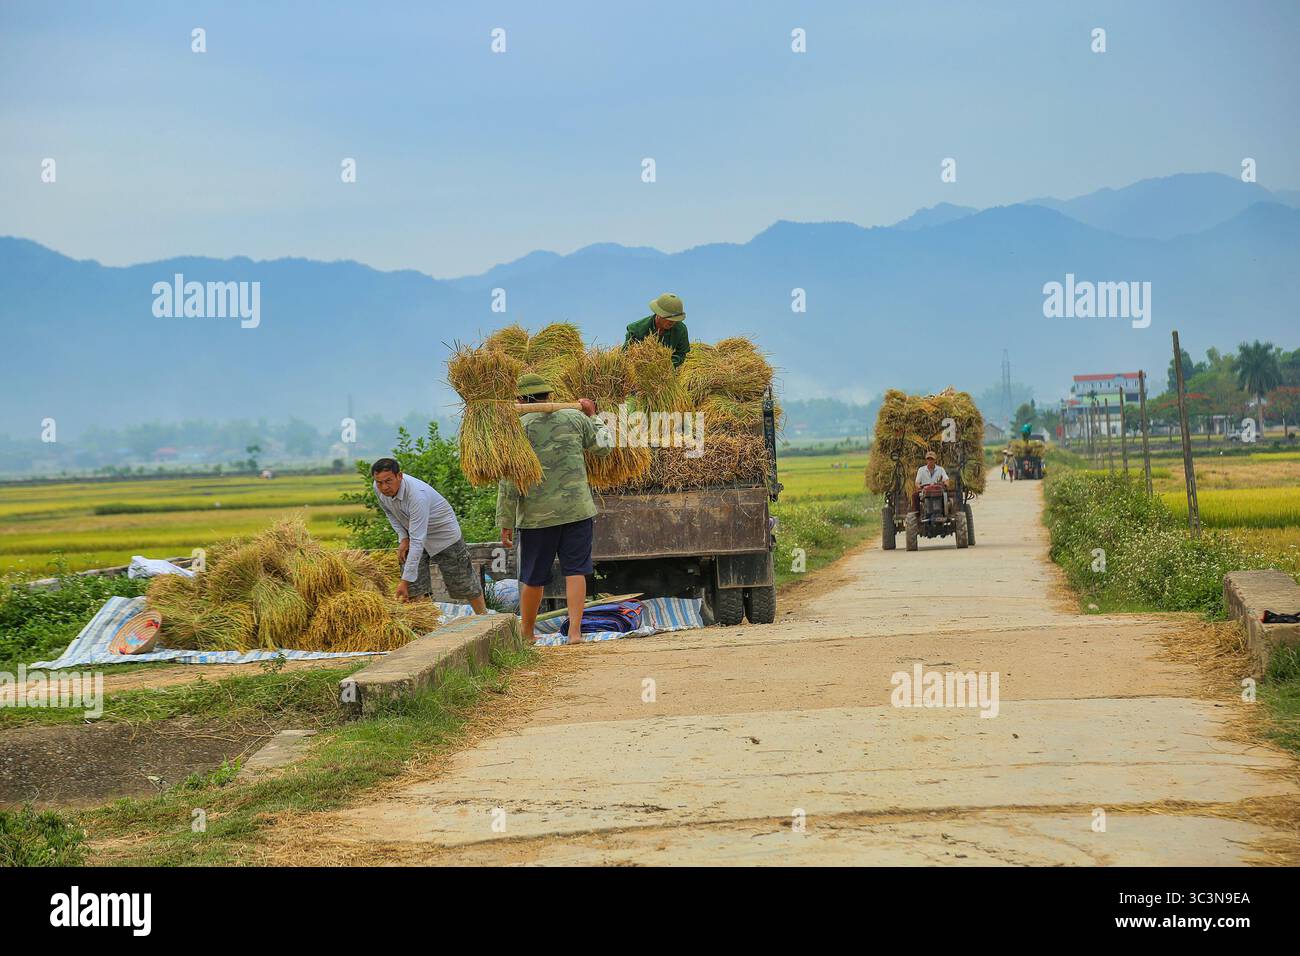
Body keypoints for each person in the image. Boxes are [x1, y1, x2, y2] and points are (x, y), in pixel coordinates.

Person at [497, 373, 612, 646]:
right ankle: (574, 633)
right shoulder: (574, 418)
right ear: (548, 395)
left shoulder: (516, 430)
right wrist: (594, 415)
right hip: (577, 511)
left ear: (521, 399)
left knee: (534, 575)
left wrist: (505, 521)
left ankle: (526, 633)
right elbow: (604, 447)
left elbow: (508, 480)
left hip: (537, 517)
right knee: (576, 570)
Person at [371, 458, 487, 613]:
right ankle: (427, 626)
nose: (384, 487)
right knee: (415, 588)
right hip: (413, 533)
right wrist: (403, 538)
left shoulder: (417, 495)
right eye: (379, 482)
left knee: (464, 584)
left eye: (388, 481)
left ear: (400, 476)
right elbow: (390, 513)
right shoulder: (378, 488)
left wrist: (403, 582)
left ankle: (485, 619)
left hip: (443, 536)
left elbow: (418, 541)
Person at [624, 292, 690, 367]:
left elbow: (681, 353)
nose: (672, 322)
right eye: (669, 318)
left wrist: (667, 365)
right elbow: (624, 355)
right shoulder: (636, 330)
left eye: (675, 319)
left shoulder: (681, 330)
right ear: (658, 314)